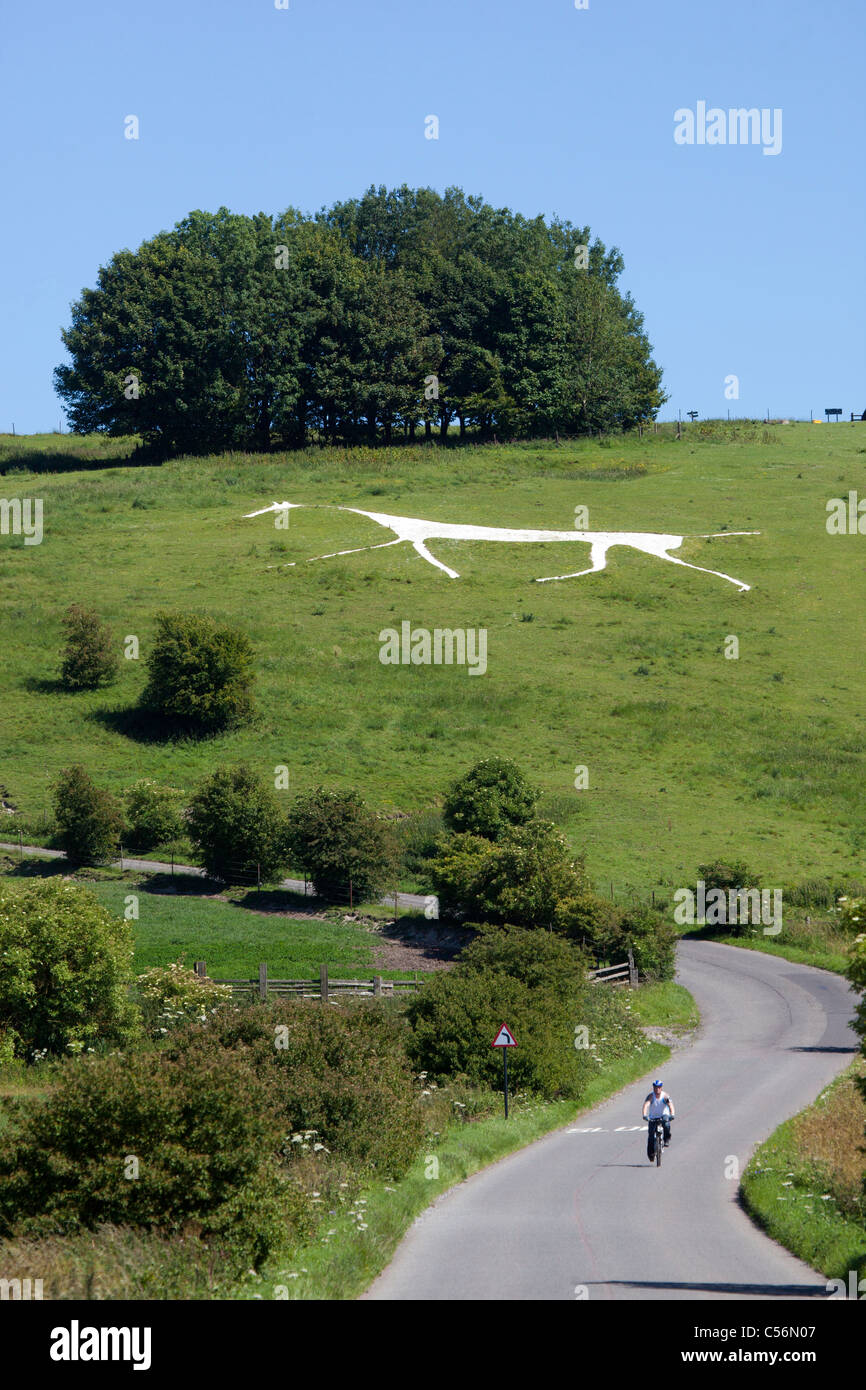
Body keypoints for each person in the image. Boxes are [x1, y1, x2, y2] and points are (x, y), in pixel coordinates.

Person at [642, 1078, 675, 1160]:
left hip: (663, 1115)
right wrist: (645, 1115)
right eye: (656, 1087)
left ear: (661, 1088)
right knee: (650, 1136)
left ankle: (666, 1138)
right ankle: (651, 1154)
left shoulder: (665, 1096)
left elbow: (671, 1105)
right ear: (653, 1088)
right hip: (653, 1117)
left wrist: (672, 1114)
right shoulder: (651, 1096)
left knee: (666, 1124)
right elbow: (646, 1105)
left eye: (659, 1087)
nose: (657, 1089)